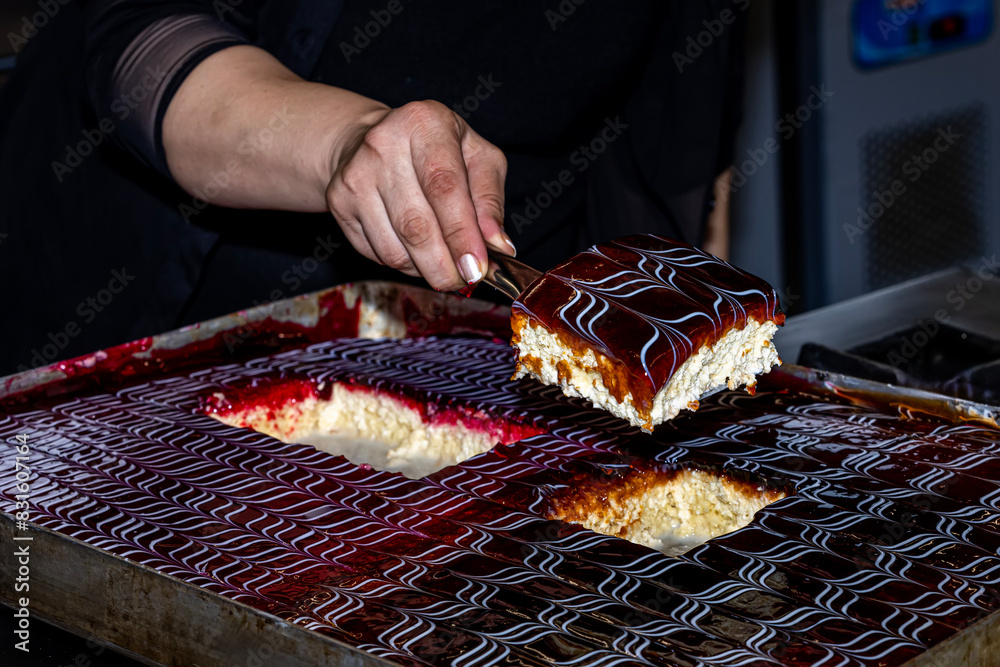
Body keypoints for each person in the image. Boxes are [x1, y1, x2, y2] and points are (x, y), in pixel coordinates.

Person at [0, 0, 745, 377]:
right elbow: (144, 39)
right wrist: (347, 143)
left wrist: (695, 349)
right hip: (170, 284)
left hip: (494, 306)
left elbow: (682, 132)